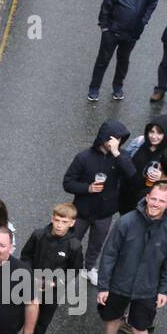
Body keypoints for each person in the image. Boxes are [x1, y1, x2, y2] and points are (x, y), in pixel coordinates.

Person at [95, 183, 167, 334]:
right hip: (119, 283)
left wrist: (164, 289)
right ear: (147, 197)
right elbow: (109, 254)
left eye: (161, 201)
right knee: (112, 317)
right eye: (153, 198)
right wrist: (104, 286)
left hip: (148, 287)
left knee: (141, 328)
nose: (155, 203)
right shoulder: (126, 221)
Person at [63, 119, 135, 284]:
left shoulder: (121, 156)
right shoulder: (83, 157)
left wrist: (117, 153)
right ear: (104, 138)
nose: (116, 142)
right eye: (114, 138)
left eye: (119, 139)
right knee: (72, 242)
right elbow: (68, 183)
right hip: (82, 211)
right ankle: (67, 268)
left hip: (105, 212)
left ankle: (89, 268)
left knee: (97, 244)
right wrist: (87, 188)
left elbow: (131, 175)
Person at [19, 202, 84, 334]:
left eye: (64, 222)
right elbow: (25, 256)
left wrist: (55, 282)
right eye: (57, 220)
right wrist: (31, 277)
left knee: (43, 321)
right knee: (20, 315)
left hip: (53, 291)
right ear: (52, 219)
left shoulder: (74, 245)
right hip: (31, 285)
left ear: (72, 223)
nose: (59, 225)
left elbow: (74, 270)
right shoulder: (38, 235)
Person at [89, 0, 160, 101]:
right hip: (112, 31)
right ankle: (94, 88)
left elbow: (152, 3)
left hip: (132, 33)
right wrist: (104, 27)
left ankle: (117, 87)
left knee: (123, 60)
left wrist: (143, 21)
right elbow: (107, 4)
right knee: (103, 60)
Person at [121, 115, 167, 216]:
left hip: (150, 204)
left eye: (159, 133)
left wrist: (164, 178)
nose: (154, 136)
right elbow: (126, 158)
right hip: (127, 196)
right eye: (151, 131)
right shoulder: (140, 141)